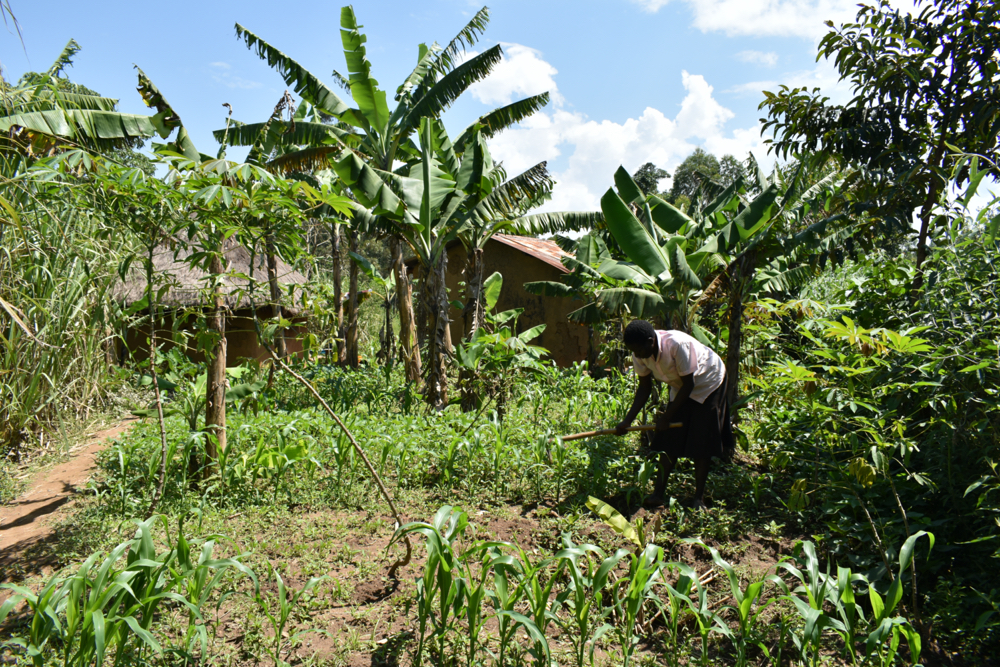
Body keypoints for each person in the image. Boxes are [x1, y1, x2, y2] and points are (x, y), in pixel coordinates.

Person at [614, 320, 734, 508]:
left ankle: (698, 499)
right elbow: (644, 389)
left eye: (639, 350)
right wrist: (627, 421)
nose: (637, 356)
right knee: (669, 440)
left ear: (650, 341)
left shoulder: (677, 345)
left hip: (708, 380)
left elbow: (690, 385)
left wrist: (666, 416)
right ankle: (658, 494)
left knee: (701, 440)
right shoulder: (639, 354)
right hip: (681, 386)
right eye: (634, 351)